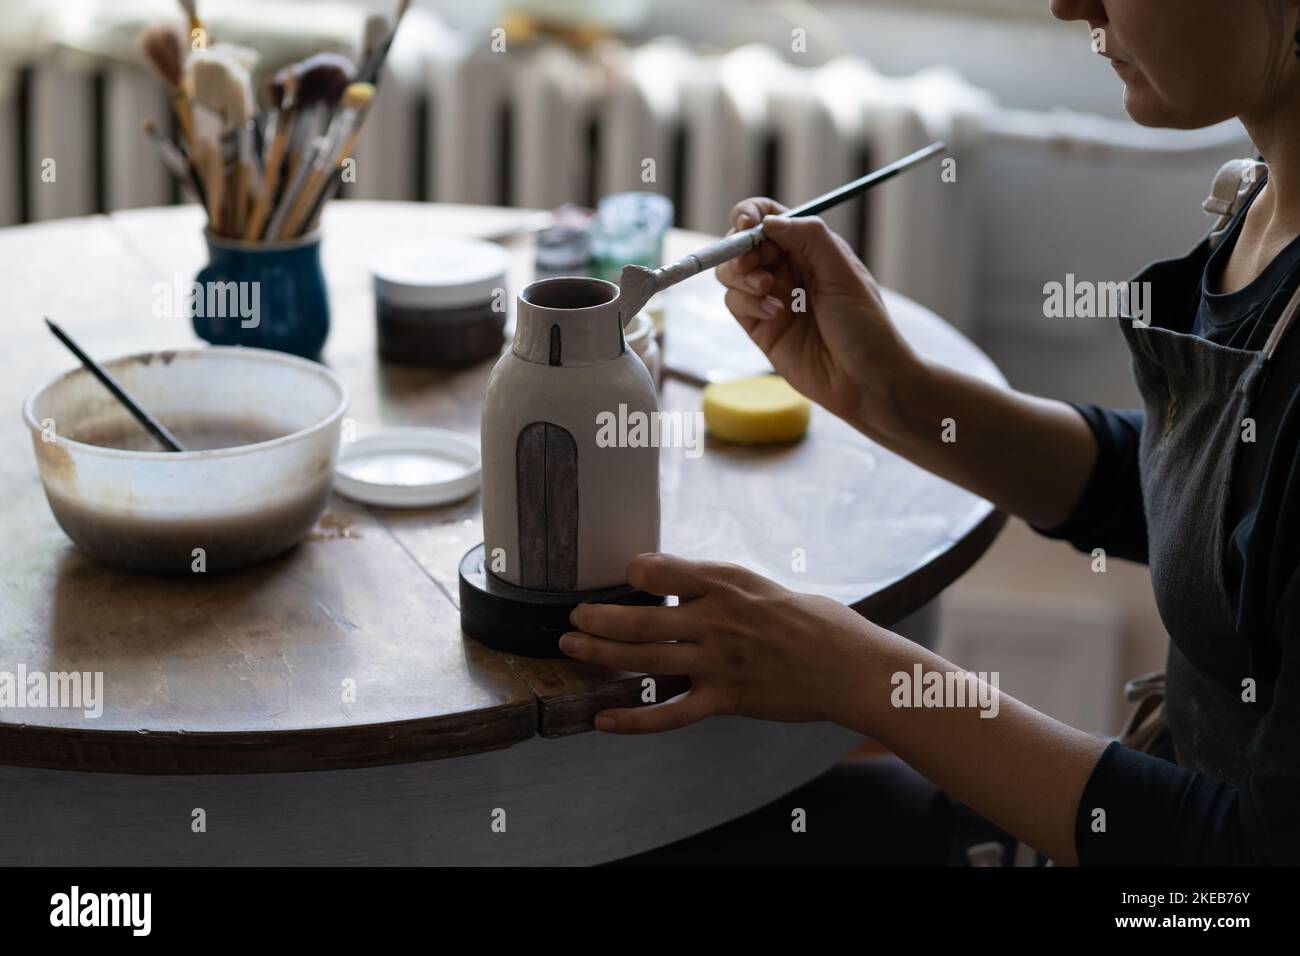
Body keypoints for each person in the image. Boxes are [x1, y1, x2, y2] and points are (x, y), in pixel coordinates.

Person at [559, 0, 1300, 865]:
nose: (1069, 6)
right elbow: (1209, 517)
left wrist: (861, 677)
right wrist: (897, 395)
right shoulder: (1262, 199)